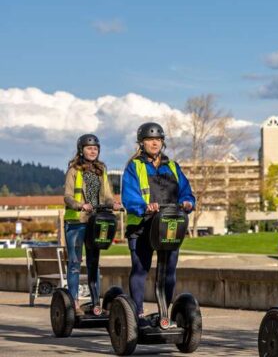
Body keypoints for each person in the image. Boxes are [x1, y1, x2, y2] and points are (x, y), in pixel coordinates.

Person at [121, 122, 195, 326]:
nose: (154, 143)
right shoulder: (134, 167)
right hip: (142, 226)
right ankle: (137, 315)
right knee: (140, 269)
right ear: (141, 143)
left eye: (158, 140)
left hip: (168, 225)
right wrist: (144, 206)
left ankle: (164, 314)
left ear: (162, 142)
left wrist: (188, 202)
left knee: (169, 272)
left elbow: (186, 191)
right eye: (150, 140)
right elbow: (129, 196)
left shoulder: (172, 166)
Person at [63, 134, 121, 313]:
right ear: (81, 150)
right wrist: (80, 205)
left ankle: (96, 303)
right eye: (89, 148)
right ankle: (74, 303)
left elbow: (108, 195)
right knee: (75, 263)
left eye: (95, 148)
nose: (93, 151)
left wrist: (113, 204)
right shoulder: (73, 170)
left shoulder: (101, 170)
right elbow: (67, 197)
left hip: (96, 221)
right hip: (76, 222)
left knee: (94, 263)